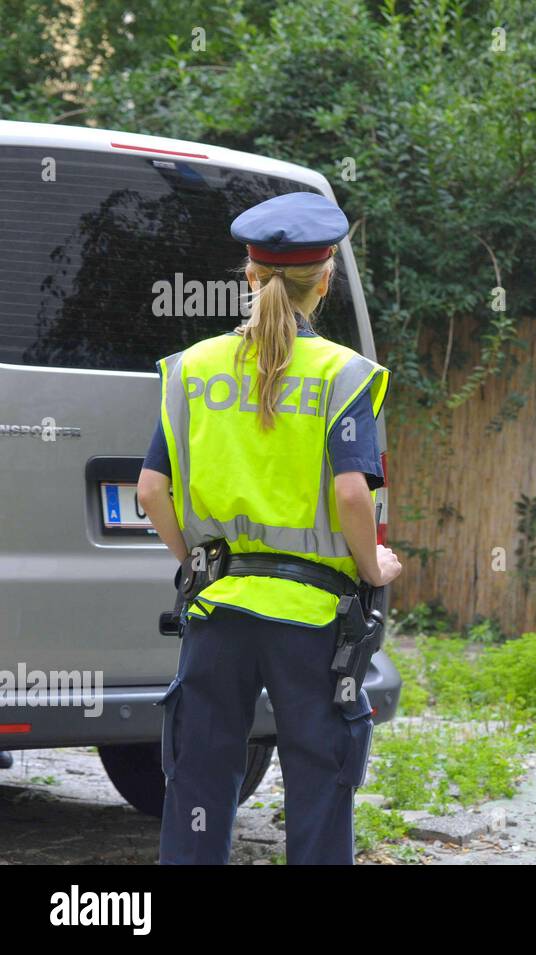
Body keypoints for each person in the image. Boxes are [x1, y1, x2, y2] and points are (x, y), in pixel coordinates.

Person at [137, 192, 401, 865]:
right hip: (313, 622)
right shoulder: (343, 375)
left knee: (199, 778)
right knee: (319, 781)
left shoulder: (192, 369)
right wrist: (375, 567)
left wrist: (197, 562)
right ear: (328, 278)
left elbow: (150, 490)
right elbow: (350, 494)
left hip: (218, 608)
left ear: (248, 276)